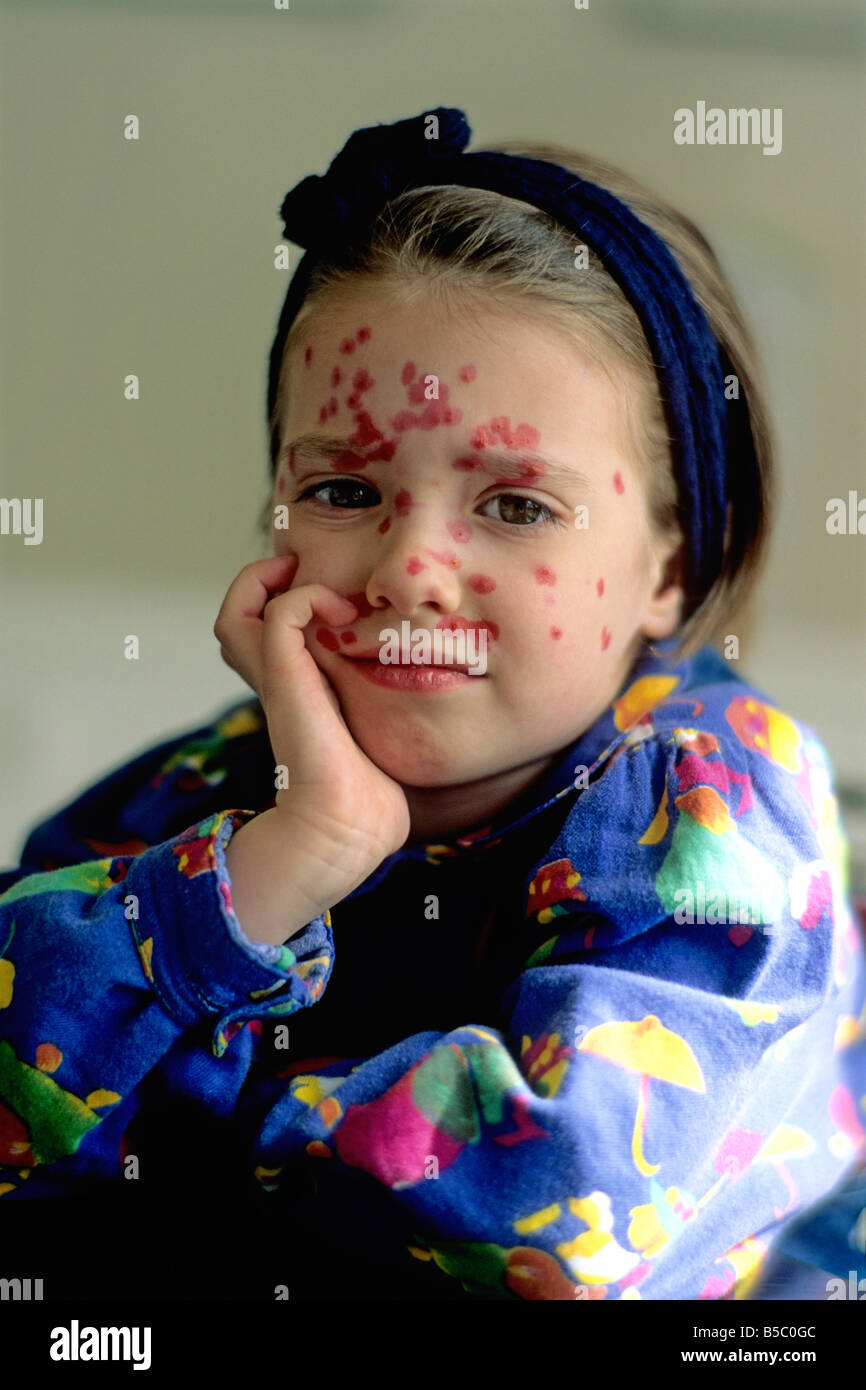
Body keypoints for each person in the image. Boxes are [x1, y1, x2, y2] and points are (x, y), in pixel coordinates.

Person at [1, 107, 863, 1303]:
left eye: (515, 505)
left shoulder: (710, 799)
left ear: (668, 567)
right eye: (344, 486)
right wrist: (294, 854)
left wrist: (190, 1111)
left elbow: (557, 1215)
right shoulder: (214, 788)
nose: (409, 565)